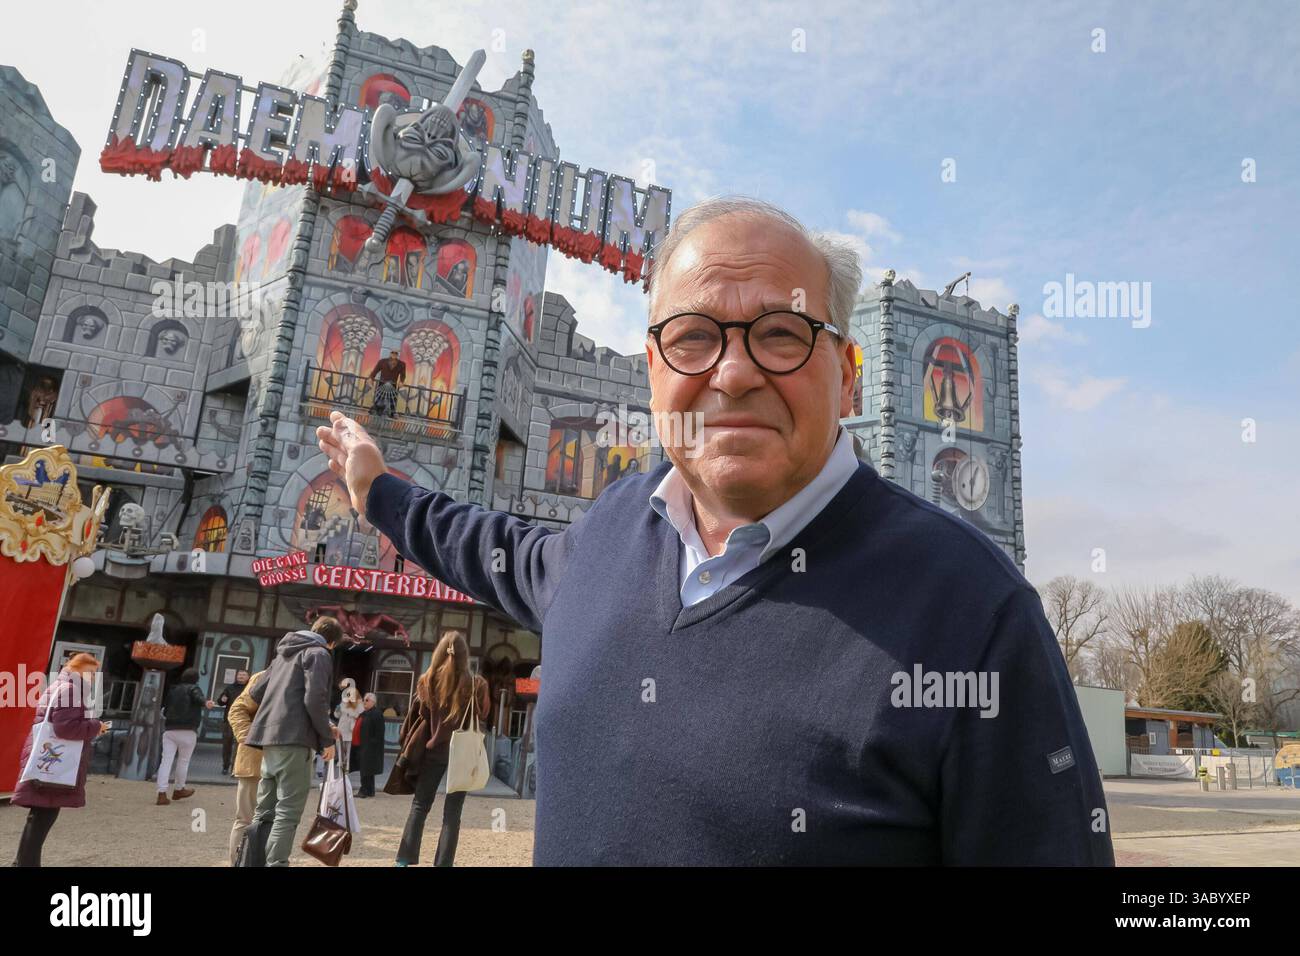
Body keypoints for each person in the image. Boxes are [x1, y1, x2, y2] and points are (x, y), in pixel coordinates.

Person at [317, 196, 1115, 867]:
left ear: (846, 375)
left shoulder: (973, 612)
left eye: (780, 332)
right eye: (694, 336)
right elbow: (485, 545)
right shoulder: (608, 536)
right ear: (655, 369)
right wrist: (376, 490)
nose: (733, 374)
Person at [386, 631, 490, 866]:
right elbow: (482, 716)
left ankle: (403, 860)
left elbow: (421, 715)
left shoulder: (427, 679)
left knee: (420, 806)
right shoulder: (477, 684)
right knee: (452, 815)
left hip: (434, 751)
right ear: (466, 656)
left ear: (439, 652)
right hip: (462, 753)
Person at [244, 616, 342, 866]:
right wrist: (326, 739)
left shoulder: (284, 654)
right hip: (295, 739)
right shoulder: (319, 654)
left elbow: (256, 691)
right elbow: (314, 699)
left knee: (264, 811)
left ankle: (251, 861)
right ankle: (276, 863)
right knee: (287, 813)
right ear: (331, 643)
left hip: (269, 739)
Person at [10, 654, 109, 867]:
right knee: (44, 815)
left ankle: (23, 862)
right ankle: (26, 864)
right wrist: (95, 726)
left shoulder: (58, 686)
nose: (93, 678)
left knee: (39, 814)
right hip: (56, 761)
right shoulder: (71, 691)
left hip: (46, 755)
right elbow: (65, 728)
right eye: (91, 673)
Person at [225, 669, 267, 866]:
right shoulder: (263, 676)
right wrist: (252, 739)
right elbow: (237, 710)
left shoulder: (303, 676)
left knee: (274, 822)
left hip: (282, 763)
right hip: (254, 761)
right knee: (245, 819)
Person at [156, 667, 213, 805]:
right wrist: (205, 702)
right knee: (183, 761)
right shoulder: (194, 688)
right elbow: (197, 697)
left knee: (166, 762)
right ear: (196, 679)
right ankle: (179, 789)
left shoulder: (173, 690)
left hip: (170, 729)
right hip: (188, 730)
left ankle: (161, 793)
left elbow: (165, 708)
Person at [216, 669, 250, 776]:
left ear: (248, 677)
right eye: (239, 674)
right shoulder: (229, 688)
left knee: (239, 746)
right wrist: (222, 700)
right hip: (229, 721)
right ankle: (225, 766)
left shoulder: (250, 689)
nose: (241, 676)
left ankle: (235, 768)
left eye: (243, 675)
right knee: (227, 744)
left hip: (243, 722)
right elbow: (220, 702)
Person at [354, 692, 386, 797]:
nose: (364, 702)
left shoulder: (376, 713)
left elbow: (380, 732)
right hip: (363, 745)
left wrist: (372, 744)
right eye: (364, 700)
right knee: (366, 769)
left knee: (366, 769)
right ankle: (370, 790)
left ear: (373, 702)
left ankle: (364, 790)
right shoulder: (365, 713)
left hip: (370, 747)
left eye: (367, 700)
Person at [335, 678, 363, 773]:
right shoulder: (343, 703)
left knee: (349, 749)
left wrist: (350, 713)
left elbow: (360, 716)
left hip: (351, 729)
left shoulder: (359, 705)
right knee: (340, 746)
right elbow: (337, 715)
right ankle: (341, 762)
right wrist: (337, 710)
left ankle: (347, 765)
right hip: (342, 727)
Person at [369, 350, 406, 419]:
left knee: (392, 399)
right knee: (379, 397)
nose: (394, 354)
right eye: (393, 353)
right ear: (390, 353)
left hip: (393, 384)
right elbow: (375, 371)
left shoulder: (401, 364)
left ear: (397, 354)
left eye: (396, 353)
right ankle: (374, 410)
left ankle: (392, 412)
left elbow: (403, 375)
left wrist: (401, 381)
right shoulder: (382, 361)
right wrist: (371, 378)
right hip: (382, 383)